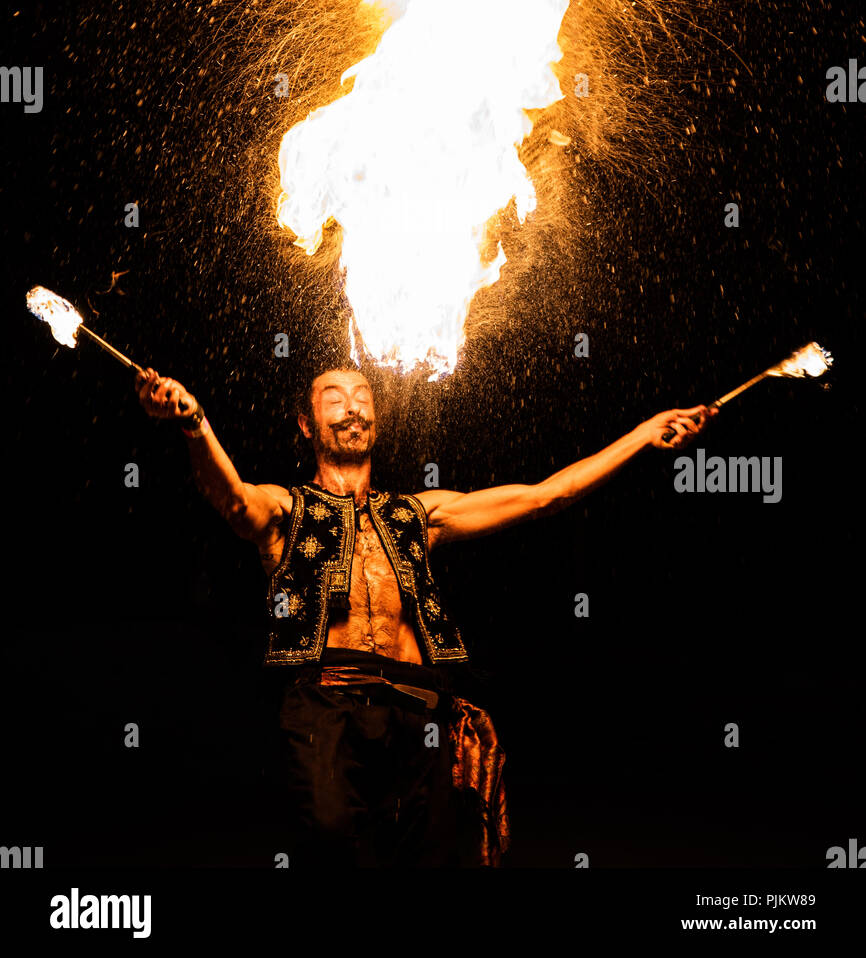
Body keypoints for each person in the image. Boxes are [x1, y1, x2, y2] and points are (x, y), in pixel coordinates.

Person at [136, 362, 716, 867]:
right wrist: (195, 422)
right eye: (333, 399)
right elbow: (233, 498)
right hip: (327, 708)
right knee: (333, 844)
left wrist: (643, 434)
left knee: (429, 860)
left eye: (362, 398)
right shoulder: (288, 508)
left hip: (422, 713)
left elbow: (548, 495)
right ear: (307, 425)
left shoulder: (420, 513)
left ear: (376, 422)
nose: (352, 408)